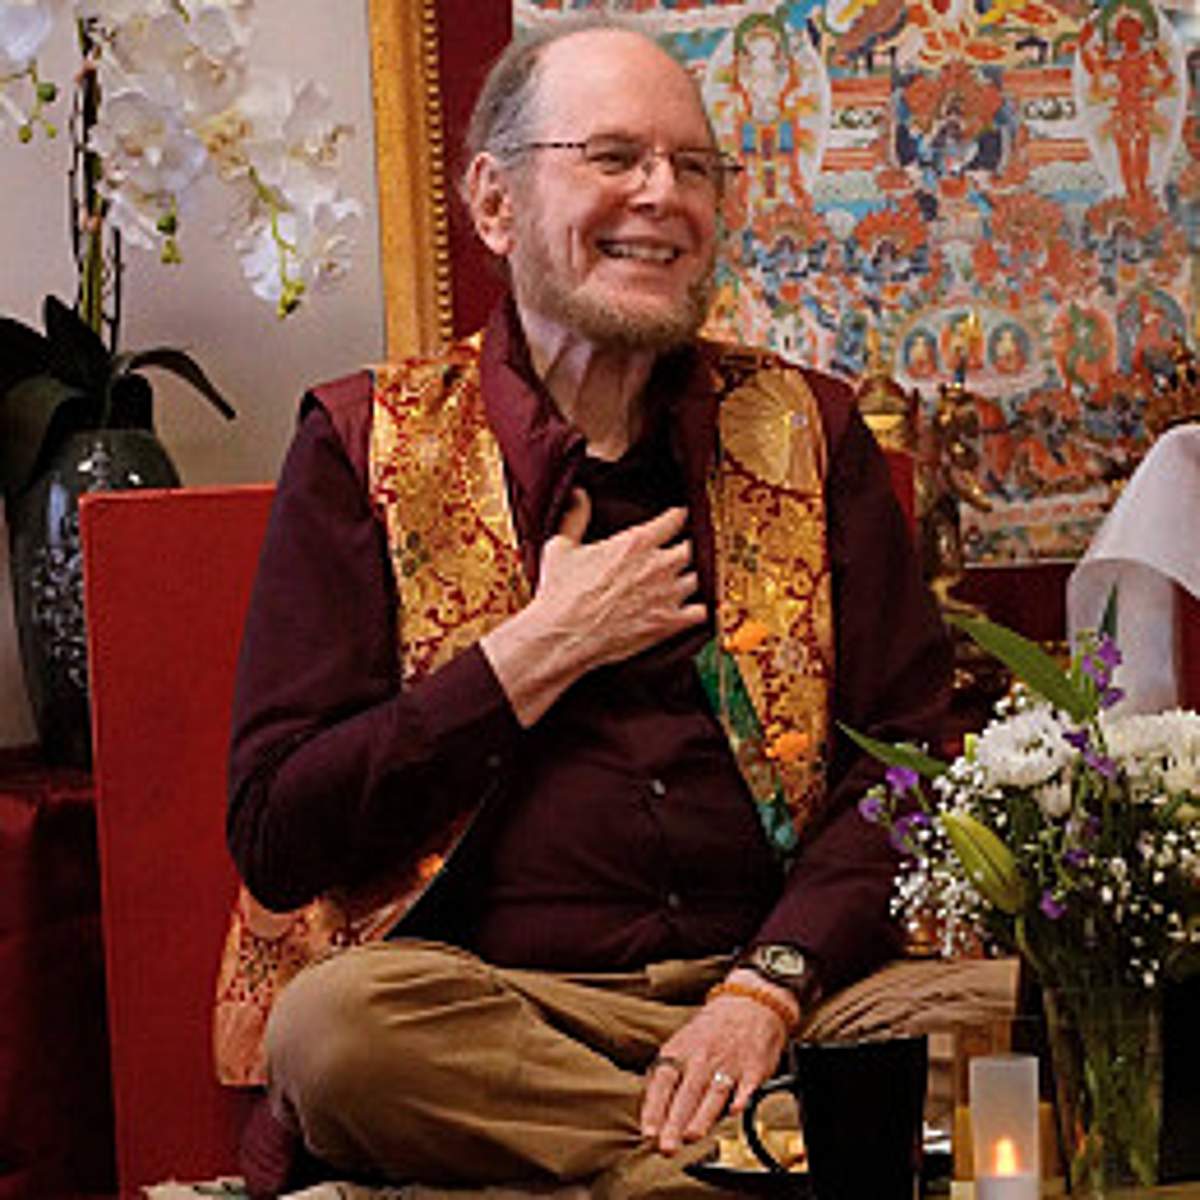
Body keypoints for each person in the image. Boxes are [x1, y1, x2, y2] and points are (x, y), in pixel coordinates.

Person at [220, 19, 1016, 1198]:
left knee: (1069, 1004)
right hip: (505, 1015)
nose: (664, 195)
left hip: (798, 1000)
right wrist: (532, 656)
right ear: (494, 202)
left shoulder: (808, 430)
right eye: (613, 157)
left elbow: (902, 765)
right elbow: (281, 834)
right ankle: (768, 1168)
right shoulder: (364, 444)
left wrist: (768, 985)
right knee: (336, 1034)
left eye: (694, 167)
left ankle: (683, 1169)